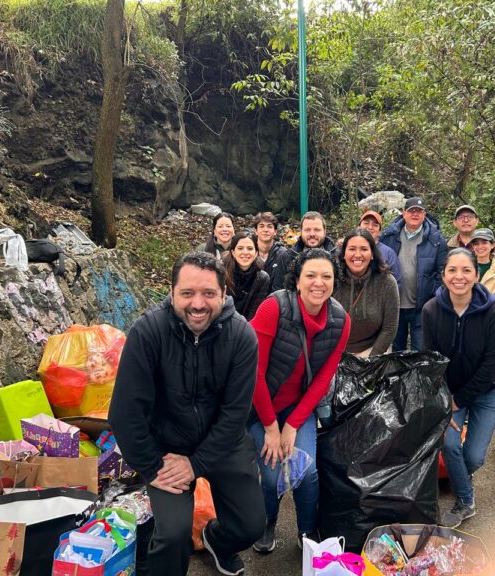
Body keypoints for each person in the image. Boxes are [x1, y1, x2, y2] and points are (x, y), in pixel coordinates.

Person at [109, 252, 265, 576]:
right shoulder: (148, 332)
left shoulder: (241, 336)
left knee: (250, 526)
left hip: (224, 443)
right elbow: (125, 413)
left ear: (223, 294)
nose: (198, 304)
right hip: (167, 446)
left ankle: (215, 539)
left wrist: (196, 464)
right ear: (171, 293)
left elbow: (236, 413)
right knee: (173, 535)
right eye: (187, 293)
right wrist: (153, 467)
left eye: (208, 293)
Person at [248, 249, 351, 553]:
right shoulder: (273, 308)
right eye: (311, 275)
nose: (318, 283)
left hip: (298, 407)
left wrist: (292, 424)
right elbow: (254, 371)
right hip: (259, 407)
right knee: (271, 473)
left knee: (306, 470)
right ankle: (267, 523)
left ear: (335, 281)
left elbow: (323, 378)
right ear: (297, 280)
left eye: (326, 276)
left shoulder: (341, 321)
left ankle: (307, 531)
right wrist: (270, 427)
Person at [422, 248, 495, 528]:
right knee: (448, 443)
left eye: (466, 271)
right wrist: (446, 398)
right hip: (450, 389)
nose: (458, 277)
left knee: (473, 456)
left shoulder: (492, 311)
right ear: (444, 274)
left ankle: (461, 476)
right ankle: (465, 501)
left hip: (489, 388)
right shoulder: (431, 310)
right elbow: (431, 360)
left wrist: (459, 400)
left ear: (476, 275)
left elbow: (492, 362)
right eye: (452, 270)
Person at [379, 197, 447, 351]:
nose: (415, 214)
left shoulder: (436, 240)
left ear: (424, 215)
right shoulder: (389, 236)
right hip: (395, 304)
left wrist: (432, 295)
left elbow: (442, 272)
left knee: (420, 349)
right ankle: (399, 375)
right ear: (404, 214)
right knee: (397, 349)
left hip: (422, 305)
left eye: (419, 211)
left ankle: (417, 375)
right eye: (411, 211)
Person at [333, 228, 399, 356]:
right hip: (335, 353)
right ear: (344, 253)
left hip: (373, 351)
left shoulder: (387, 282)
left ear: (372, 254)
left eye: (364, 249)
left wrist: (370, 361)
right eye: (352, 249)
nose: (358, 255)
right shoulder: (332, 279)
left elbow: (389, 328)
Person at [222, 231, 271, 320]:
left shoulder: (263, 278)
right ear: (233, 252)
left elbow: (254, 312)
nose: (245, 252)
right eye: (240, 248)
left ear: (256, 253)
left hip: (246, 326)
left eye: (250, 248)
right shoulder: (221, 273)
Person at [277, 211, 338, 279]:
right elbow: (278, 288)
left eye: (317, 230)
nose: (312, 234)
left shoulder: (338, 256)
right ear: (301, 231)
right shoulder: (286, 257)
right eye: (307, 230)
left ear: (325, 231)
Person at [358, 209, 402, 290]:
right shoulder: (349, 248)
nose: (370, 227)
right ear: (358, 227)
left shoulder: (389, 253)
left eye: (375, 225)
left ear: (379, 232)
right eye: (366, 223)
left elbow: (397, 283)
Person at [253, 211, 287, 291]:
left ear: (275, 231)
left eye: (269, 226)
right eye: (261, 226)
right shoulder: (248, 252)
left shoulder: (283, 254)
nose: (265, 230)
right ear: (256, 231)